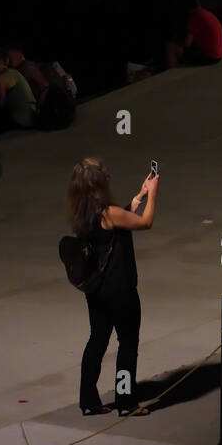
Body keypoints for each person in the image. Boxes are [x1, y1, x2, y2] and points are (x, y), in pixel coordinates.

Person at [68, 157, 159, 416]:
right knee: (128, 344)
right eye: (105, 174)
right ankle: (125, 401)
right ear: (98, 183)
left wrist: (138, 197)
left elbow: (115, 227)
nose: (109, 176)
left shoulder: (83, 211)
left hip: (96, 290)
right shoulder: (109, 212)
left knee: (97, 339)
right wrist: (152, 195)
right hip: (120, 289)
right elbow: (144, 223)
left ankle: (88, 399)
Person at [5, 45, 76, 130]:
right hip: (54, 98)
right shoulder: (25, 68)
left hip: (54, 97)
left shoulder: (28, 67)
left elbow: (62, 81)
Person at [164, 0, 222, 68]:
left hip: (210, 58)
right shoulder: (207, 13)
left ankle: (172, 69)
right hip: (218, 56)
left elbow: (187, 44)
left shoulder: (194, 17)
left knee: (170, 47)